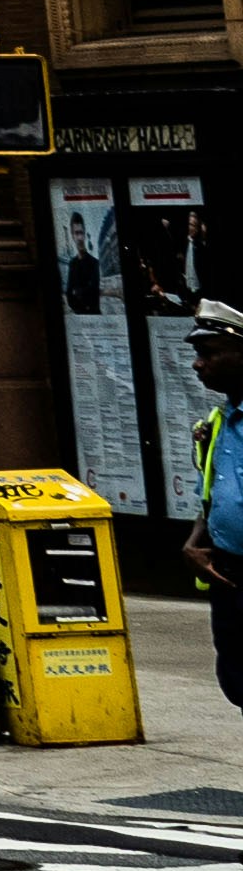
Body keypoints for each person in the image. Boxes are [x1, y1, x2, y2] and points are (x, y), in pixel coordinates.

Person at [182, 298, 243, 711]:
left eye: (209, 354)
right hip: (229, 571)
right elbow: (215, 491)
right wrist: (195, 540)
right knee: (238, 680)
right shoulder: (220, 420)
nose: (197, 365)